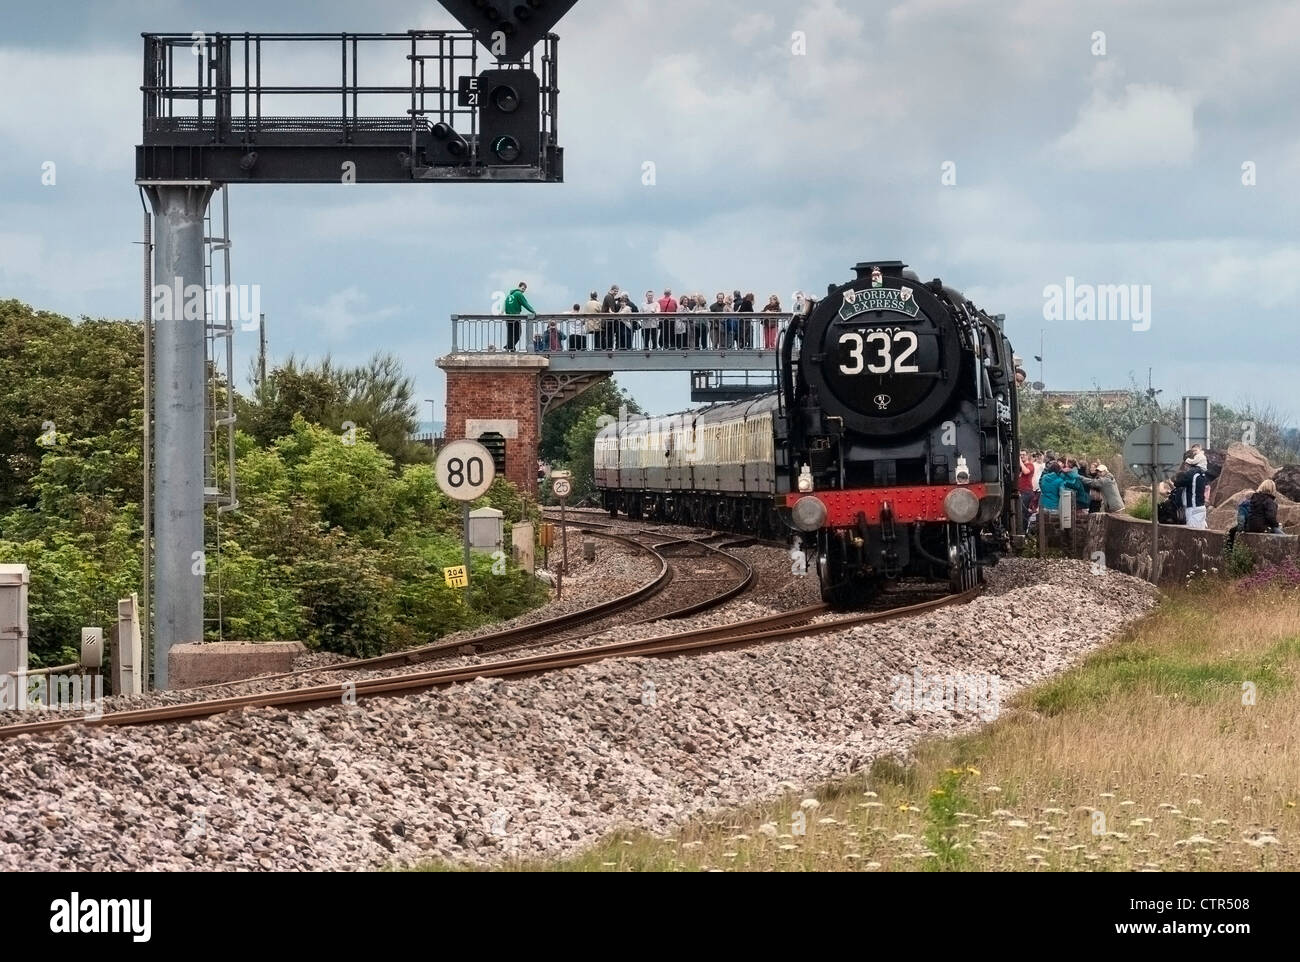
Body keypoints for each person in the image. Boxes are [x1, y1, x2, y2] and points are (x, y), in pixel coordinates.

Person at [1173, 451, 1208, 529]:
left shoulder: (1192, 474)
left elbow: (1177, 483)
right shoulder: (1202, 474)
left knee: (1193, 534)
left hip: (1193, 509)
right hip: (1201, 508)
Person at [503, 281, 536, 351]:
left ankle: (510, 347)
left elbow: (506, 306)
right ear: (519, 287)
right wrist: (533, 311)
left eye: (524, 289)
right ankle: (509, 346)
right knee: (518, 334)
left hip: (508, 317)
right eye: (523, 288)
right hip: (515, 317)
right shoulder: (519, 294)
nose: (523, 290)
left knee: (510, 334)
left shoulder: (509, 295)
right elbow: (525, 304)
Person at [1018, 451, 1035, 530]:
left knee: (1023, 513)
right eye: (1020, 455)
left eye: (1023, 455)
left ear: (1027, 456)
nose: (1022, 456)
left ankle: (1024, 531)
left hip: (1027, 491)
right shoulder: (1021, 466)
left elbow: (1026, 471)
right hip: (1020, 491)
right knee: (1020, 512)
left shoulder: (1030, 465)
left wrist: (1020, 461)